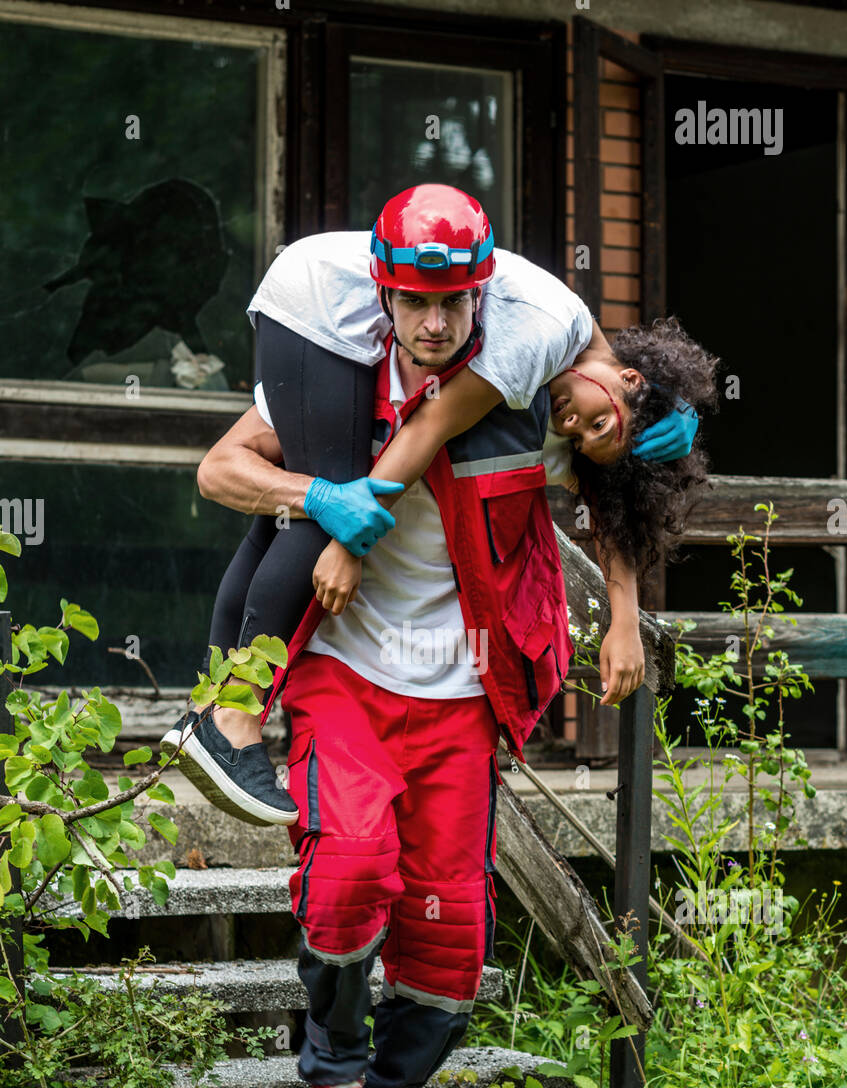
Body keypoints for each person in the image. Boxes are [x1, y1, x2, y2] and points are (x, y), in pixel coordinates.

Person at [185, 187, 717, 1088]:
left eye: (454, 306)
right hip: (345, 672)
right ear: (384, 298)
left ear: (483, 300)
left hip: (464, 689)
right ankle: (334, 1078)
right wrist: (323, 507)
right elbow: (221, 469)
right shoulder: (325, 386)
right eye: (413, 305)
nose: (433, 325)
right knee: (347, 870)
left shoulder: (540, 389)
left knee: (451, 929)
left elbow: (614, 488)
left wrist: (620, 602)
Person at [162, 185, 698, 829]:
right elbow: (429, 427)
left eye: (587, 443)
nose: (575, 432)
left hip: (320, 297)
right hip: (314, 305)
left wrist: (625, 618)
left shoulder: (574, 382)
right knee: (337, 494)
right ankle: (231, 718)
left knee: (297, 506)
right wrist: (350, 540)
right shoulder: (536, 336)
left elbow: (611, 500)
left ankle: (211, 706)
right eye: (597, 425)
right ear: (631, 379)